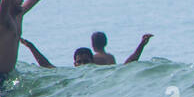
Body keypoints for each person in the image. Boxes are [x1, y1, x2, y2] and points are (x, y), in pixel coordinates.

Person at [23, 34, 151, 69]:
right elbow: (47, 66)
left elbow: (127, 66)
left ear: (93, 61)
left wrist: (141, 46)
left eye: (86, 61)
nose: (83, 64)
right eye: (80, 62)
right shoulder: (72, 74)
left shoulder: (99, 72)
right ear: (75, 64)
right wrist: (31, 47)